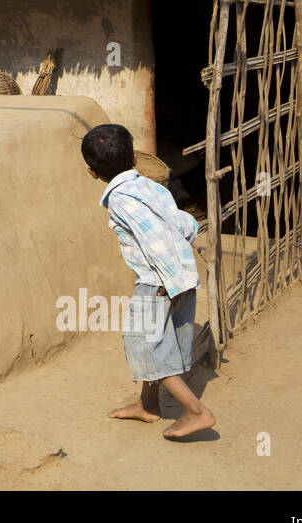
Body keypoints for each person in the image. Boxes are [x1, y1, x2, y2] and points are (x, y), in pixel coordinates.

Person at [81, 123, 216, 440]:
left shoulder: (121, 200)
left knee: (147, 346)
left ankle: (197, 412)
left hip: (160, 280)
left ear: (91, 172)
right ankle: (148, 404)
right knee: (159, 340)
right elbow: (184, 224)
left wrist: (166, 284)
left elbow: (155, 240)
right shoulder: (153, 187)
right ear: (135, 160)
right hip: (176, 274)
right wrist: (178, 277)